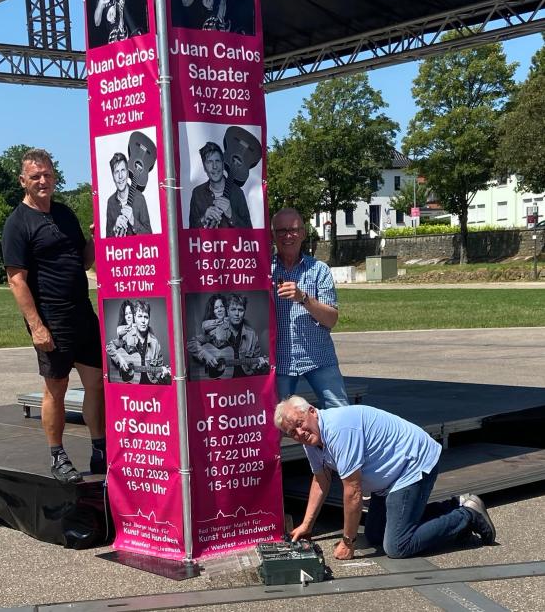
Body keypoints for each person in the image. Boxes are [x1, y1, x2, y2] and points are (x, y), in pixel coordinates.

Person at [275, 397, 496, 560]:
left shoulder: (338, 430)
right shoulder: (313, 440)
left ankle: (467, 515)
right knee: (374, 535)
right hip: (390, 477)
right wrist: (306, 524)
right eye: (292, 432)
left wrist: (348, 542)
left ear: (312, 411)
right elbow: (320, 479)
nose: (299, 433)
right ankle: (454, 504)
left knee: (397, 546)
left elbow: (353, 492)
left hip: (413, 465)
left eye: (299, 423)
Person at [2, 148, 105, 484]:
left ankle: (99, 448)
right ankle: (57, 455)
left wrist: (96, 236)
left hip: (82, 314)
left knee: (96, 385)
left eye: (47, 174)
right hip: (52, 320)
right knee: (55, 391)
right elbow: (16, 280)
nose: (43, 181)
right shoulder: (17, 223)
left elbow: (84, 261)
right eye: (35, 176)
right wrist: (37, 327)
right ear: (23, 181)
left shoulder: (63, 214)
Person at [272, 208, 348, 409]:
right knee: (276, 423)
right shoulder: (264, 271)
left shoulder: (319, 269)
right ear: (273, 234)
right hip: (280, 360)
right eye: (281, 231)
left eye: (294, 230)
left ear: (304, 233)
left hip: (319, 356)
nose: (288, 236)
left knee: (341, 413)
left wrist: (303, 297)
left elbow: (331, 319)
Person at [189, 294, 269, 378]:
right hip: (221, 383)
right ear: (227, 310)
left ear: (245, 311)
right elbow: (191, 343)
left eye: (240, 310)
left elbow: (254, 367)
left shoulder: (252, 335)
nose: (237, 314)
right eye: (233, 309)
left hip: (244, 381)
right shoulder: (216, 329)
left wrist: (260, 366)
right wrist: (206, 355)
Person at [189, 141, 252, 229]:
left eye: (217, 161)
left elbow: (250, 233)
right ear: (204, 167)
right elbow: (189, 235)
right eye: (209, 162)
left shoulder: (237, 193)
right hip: (207, 243)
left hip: (232, 243)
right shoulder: (197, 193)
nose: (214, 166)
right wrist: (203, 219)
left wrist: (231, 214)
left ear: (223, 164)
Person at [107, 300, 171, 385]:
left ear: (149, 318)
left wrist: (163, 374)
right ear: (135, 317)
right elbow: (109, 346)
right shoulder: (127, 336)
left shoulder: (155, 344)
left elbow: (158, 375)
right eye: (140, 316)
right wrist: (120, 359)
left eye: (146, 317)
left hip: (150, 388)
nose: (143, 321)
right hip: (130, 388)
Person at [105, 152, 152, 237]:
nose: (120, 176)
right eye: (116, 172)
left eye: (123, 170)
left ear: (127, 172)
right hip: (120, 250)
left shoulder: (139, 198)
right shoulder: (110, 202)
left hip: (139, 249)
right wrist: (115, 228)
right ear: (113, 176)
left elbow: (149, 235)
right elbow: (107, 241)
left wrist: (133, 221)